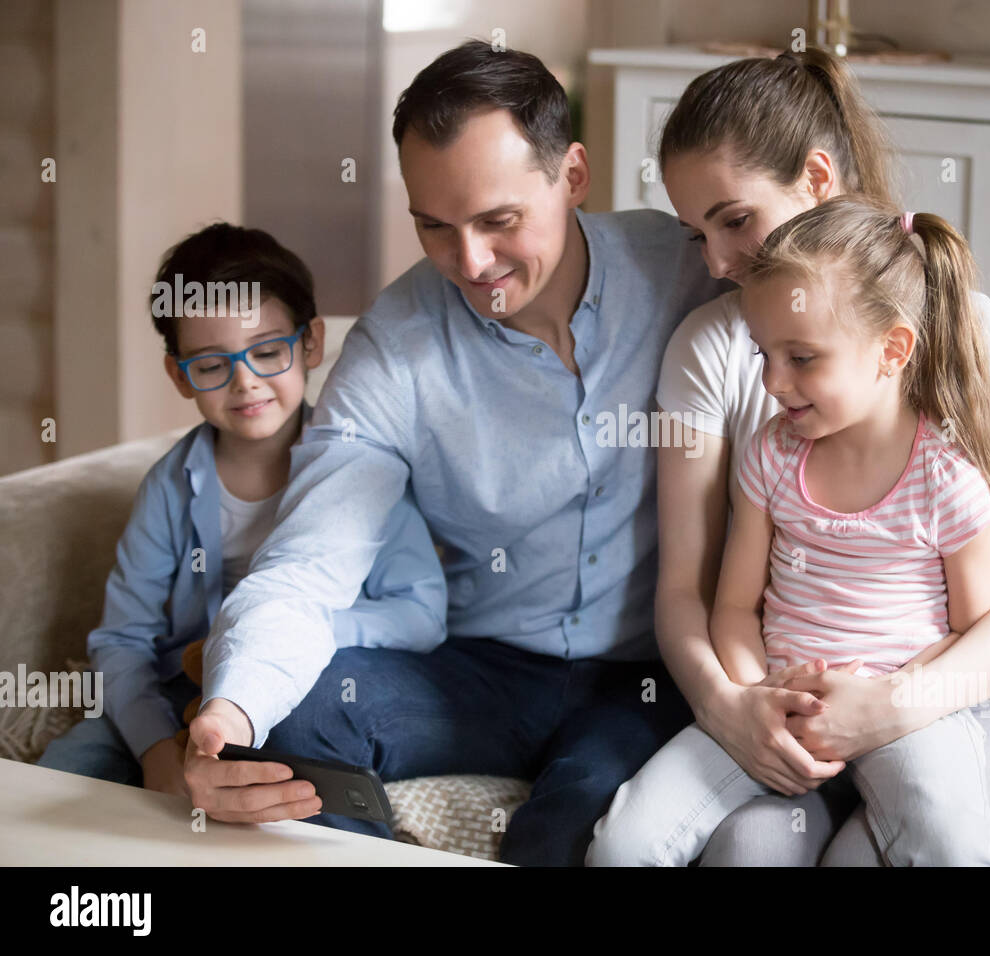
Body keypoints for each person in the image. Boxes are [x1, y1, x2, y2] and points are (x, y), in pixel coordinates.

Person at [180, 41, 728, 866]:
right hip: (480, 670)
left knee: (572, 825)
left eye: (498, 221)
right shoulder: (394, 347)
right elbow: (306, 564)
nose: (470, 263)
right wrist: (228, 713)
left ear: (573, 176)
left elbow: (847, 314)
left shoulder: (689, 271)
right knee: (293, 718)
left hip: (649, 674)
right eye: (434, 226)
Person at [646, 48, 990, 865]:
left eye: (733, 220)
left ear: (817, 177)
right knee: (742, 850)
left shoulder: (972, 330)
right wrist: (730, 706)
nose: (715, 262)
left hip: (939, 698)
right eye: (696, 232)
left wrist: (901, 702)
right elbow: (687, 589)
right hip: (782, 702)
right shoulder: (708, 350)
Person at [592, 197, 990, 865]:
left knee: (951, 843)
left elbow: (976, 633)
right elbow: (736, 607)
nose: (774, 382)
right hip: (778, 702)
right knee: (622, 844)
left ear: (891, 349)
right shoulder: (771, 457)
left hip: (905, 714)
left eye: (801, 357)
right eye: (763, 354)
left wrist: (880, 701)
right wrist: (753, 701)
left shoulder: (947, 478)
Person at [37, 224, 446, 803]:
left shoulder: (358, 473)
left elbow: (422, 614)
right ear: (180, 376)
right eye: (211, 365)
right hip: (178, 688)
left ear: (310, 344)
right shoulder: (169, 488)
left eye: (268, 351)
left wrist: (293, 633)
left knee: (279, 788)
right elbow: (122, 640)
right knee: (58, 776)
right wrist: (156, 751)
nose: (245, 381)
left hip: (303, 683)